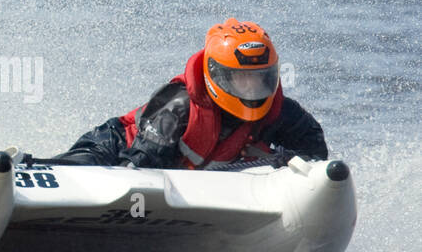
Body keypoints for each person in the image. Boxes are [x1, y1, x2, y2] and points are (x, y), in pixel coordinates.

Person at [49, 18, 327, 170]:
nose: (253, 89)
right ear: (217, 76)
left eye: (260, 79)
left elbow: (316, 156)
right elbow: (138, 167)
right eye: (242, 80)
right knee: (76, 171)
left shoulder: (282, 112)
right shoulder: (179, 106)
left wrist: (280, 159)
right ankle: (19, 173)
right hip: (114, 149)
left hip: (192, 192)